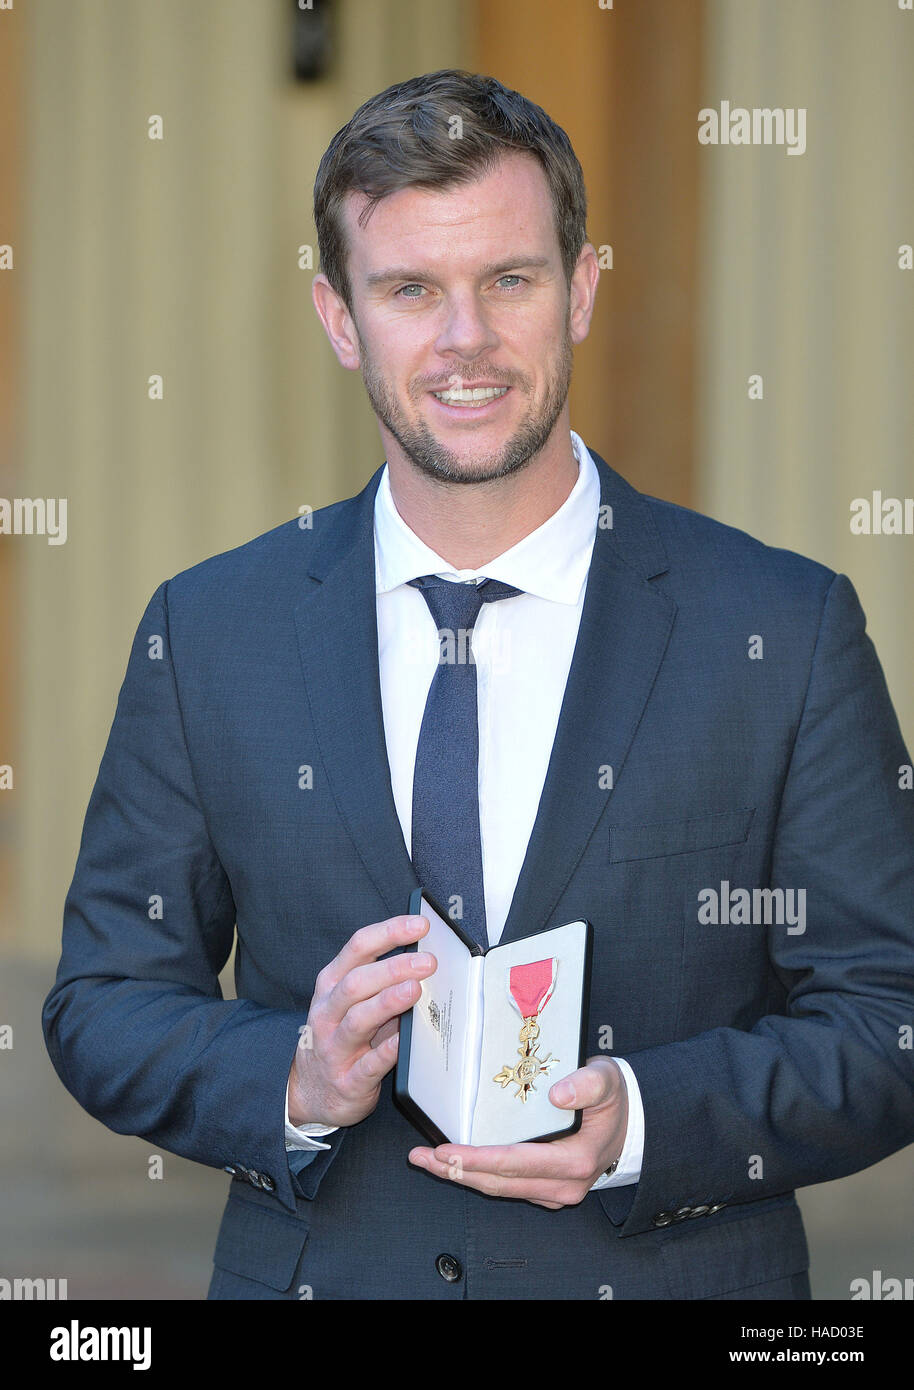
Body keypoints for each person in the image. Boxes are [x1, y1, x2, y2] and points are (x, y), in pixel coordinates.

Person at [43, 69, 914, 1301]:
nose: (465, 340)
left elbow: (889, 1014)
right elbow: (105, 1002)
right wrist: (293, 1074)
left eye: (508, 279)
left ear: (582, 290)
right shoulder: (209, 630)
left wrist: (647, 1118)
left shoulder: (781, 625)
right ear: (340, 318)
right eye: (409, 290)